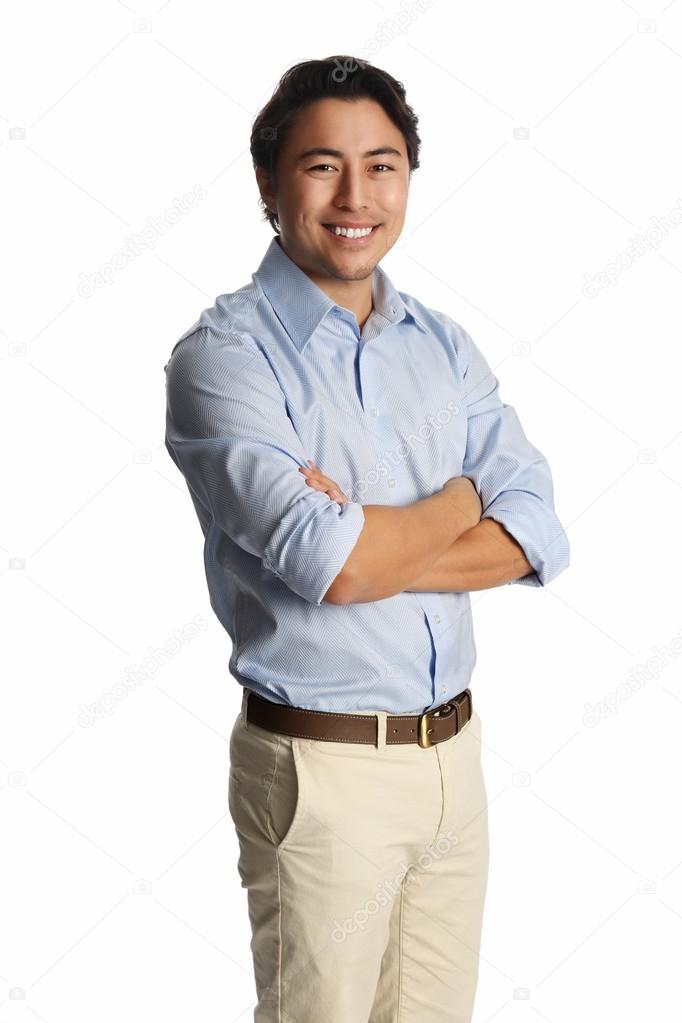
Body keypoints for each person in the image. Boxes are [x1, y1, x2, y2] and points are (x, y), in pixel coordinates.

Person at [163, 55, 570, 1023]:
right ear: (268, 182)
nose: (356, 196)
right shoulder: (224, 359)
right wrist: (465, 499)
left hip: (453, 764)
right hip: (323, 775)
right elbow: (332, 565)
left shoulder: (439, 344)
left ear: (407, 180)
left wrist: (380, 536)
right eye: (321, 166)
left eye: (382, 165)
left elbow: (539, 531)